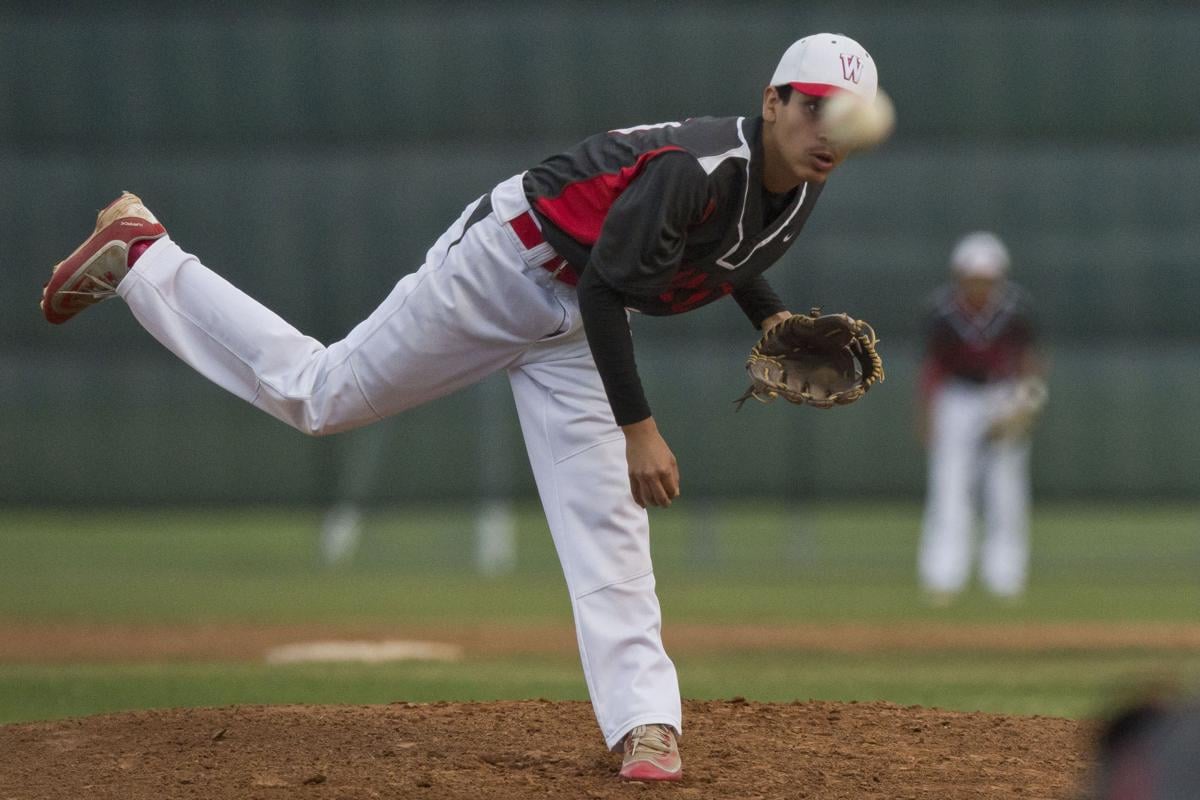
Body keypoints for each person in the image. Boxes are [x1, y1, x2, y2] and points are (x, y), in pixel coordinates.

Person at [40, 33, 882, 781]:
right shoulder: (692, 167)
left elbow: (724, 252)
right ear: (772, 102)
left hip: (580, 318)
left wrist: (770, 318)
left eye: (845, 116)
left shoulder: (797, 184)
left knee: (610, 522)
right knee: (319, 395)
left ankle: (644, 722)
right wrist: (640, 429)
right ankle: (147, 259)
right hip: (504, 270)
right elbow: (606, 286)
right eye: (813, 106)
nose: (827, 130)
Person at [916, 232, 1046, 606]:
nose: (980, 286)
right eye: (974, 278)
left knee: (1006, 490)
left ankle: (1005, 576)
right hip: (956, 397)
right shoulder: (942, 311)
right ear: (960, 276)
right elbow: (932, 367)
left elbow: (1030, 359)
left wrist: (1027, 399)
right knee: (949, 487)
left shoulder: (1016, 308)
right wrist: (927, 414)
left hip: (1002, 394)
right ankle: (944, 575)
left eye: (987, 279)